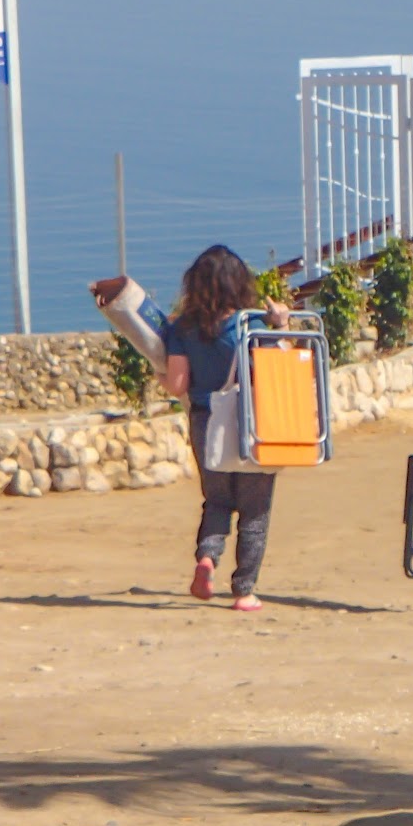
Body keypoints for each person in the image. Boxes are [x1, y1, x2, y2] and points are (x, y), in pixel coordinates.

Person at [158, 245, 290, 612]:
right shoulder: (252, 323)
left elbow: (177, 384)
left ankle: (206, 559)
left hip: (206, 419)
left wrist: (160, 366)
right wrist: (282, 324)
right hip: (255, 422)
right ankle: (244, 591)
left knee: (216, 500)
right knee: (255, 510)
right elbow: (278, 371)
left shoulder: (182, 328)